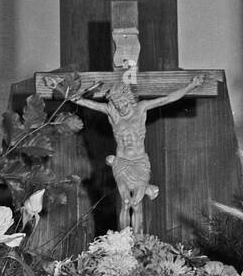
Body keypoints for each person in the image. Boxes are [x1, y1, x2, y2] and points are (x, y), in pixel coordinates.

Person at [75, 74, 205, 232]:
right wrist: (69, 95)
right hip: (121, 162)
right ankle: (122, 241)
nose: (121, 107)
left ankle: (138, 240)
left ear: (129, 99)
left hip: (139, 162)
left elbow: (167, 99)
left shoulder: (141, 108)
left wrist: (191, 85)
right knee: (125, 202)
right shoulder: (113, 113)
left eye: (122, 102)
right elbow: (89, 104)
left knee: (136, 203)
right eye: (117, 104)